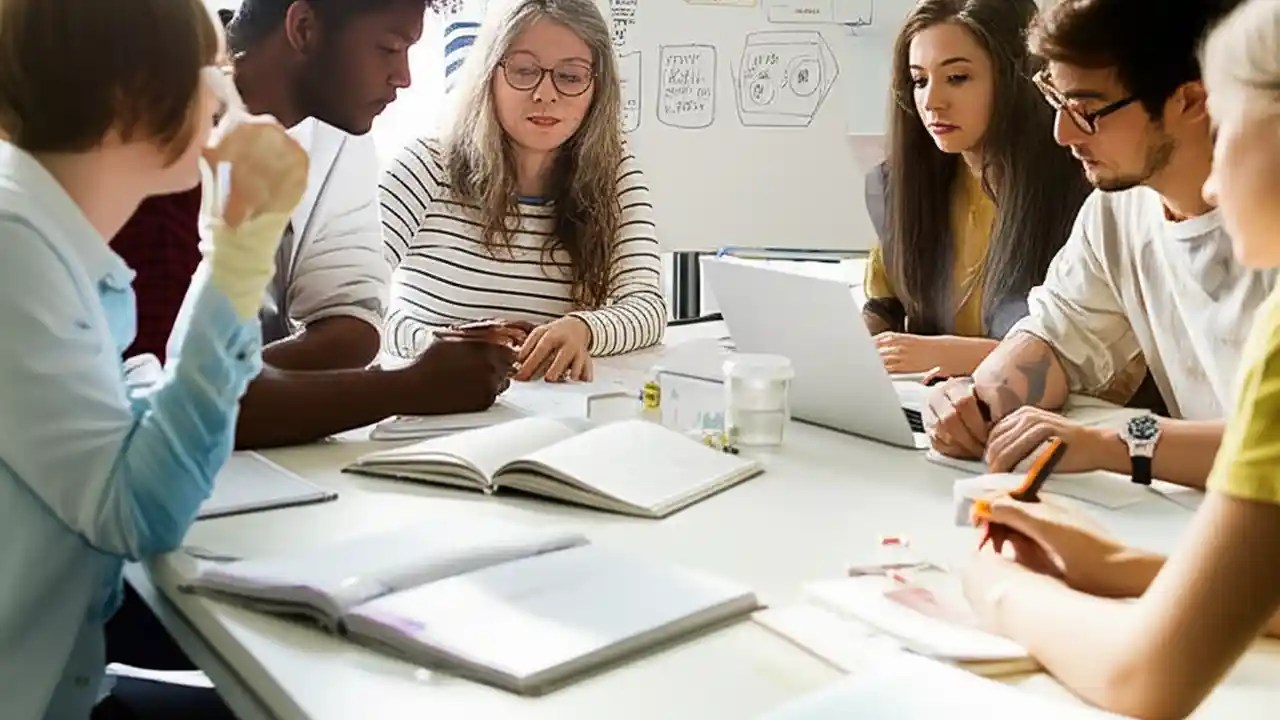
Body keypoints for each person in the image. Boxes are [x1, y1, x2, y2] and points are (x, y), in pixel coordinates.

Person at [962, 2, 1280, 717]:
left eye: (1232, 132)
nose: (1209, 189)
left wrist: (1004, 591)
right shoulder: (1121, 211)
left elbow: (1145, 679)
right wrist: (1118, 566)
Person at [0, 1, 308, 717]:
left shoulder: (51, 239)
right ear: (134, 92)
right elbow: (137, 512)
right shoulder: (15, 249)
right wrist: (236, 257)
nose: (223, 93)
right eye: (214, 71)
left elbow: (121, 421)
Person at [111, 0, 518, 449]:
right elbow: (180, 406)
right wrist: (413, 386)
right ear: (303, 27)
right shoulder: (170, 145)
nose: (403, 77)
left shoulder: (339, 132)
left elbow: (351, 324)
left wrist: (248, 379)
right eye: (388, 48)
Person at [923, 0, 1273, 489]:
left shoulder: (1265, 225)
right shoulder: (1119, 209)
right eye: (1056, 99)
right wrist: (977, 402)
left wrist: (1117, 445)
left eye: (1087, 111)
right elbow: (1058, 335)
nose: (1062, 133)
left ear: (1192, 101)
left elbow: (1270, 448)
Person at [381, 0, 667, 383]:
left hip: (556, 413)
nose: (546, 94)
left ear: (597, 88)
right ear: (489, 75)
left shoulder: (615, 176)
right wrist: (435, 347)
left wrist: (584, 329)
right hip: (437, 399)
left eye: (570, 76)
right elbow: (348, 303)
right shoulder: (427, 165)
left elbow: (647, 307)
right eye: (524, 70)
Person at [863, 0, 1089, 378]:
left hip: (1039, 415)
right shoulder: (901, 186)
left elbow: (1082, 356)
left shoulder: (1081, 193)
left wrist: (948, 354)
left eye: (957, 78)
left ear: (1016, 76)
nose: (932, 101)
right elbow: (883, 303)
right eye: (919, 80)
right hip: (933, 405)